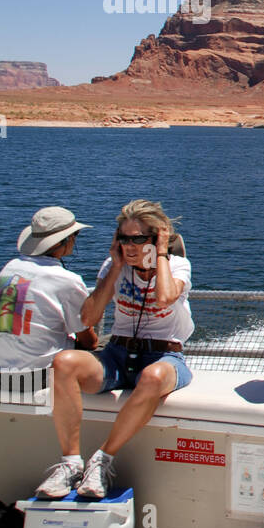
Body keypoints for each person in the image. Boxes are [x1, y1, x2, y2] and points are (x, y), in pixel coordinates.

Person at [35, 199, 195, 500]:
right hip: (118, 355)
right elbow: (89, 318)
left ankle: (102, 461)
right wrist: (116, 267)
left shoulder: (178, 265)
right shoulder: (114, 266)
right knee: (65, 362)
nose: (130, 246)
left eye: (138, 239)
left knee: (154, 376)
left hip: (165, 357)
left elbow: (164, 298)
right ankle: (70, 464)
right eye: (124, 238)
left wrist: (160, 254)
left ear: (157, 237)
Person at [0, 207, 97, 393]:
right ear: (65, 240)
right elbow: (88, 341)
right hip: (36, 377)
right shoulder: (65, 279)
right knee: (110, 352)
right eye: (75, 234)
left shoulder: (10, 268)